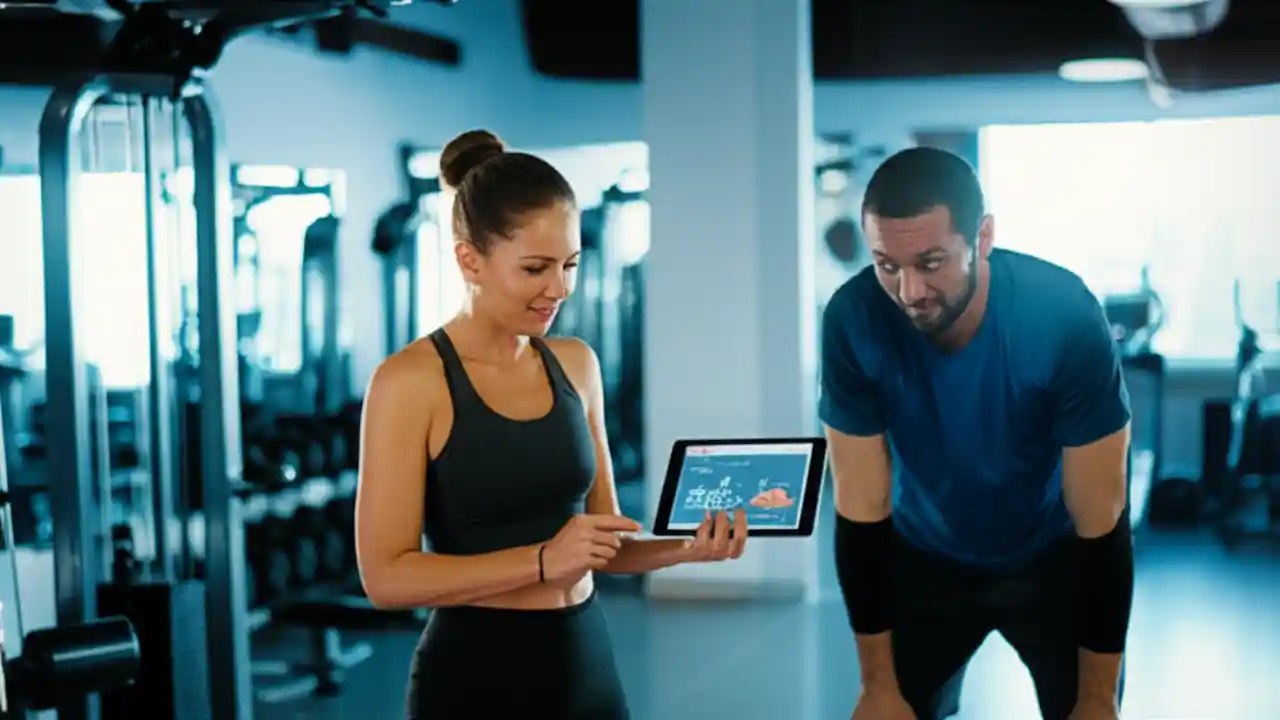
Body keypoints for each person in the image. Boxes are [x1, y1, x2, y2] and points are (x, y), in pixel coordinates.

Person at [354, 129, 750, 720]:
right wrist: (542, 560)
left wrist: (687, 549)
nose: (559, 289)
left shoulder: (574, 363)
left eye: (568, 265)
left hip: (586, 660)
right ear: (470, 259)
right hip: (478, 675)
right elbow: (385, 577)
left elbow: (603, 545)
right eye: (536, 268)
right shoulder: (410, 382)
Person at [821, 147, 1134, 720]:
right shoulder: (853, 319)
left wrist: (1097, 699)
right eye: (887, 265)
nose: (909, 291)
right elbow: (861, 507)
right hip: (926, 559)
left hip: (1052, 556)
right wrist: (877, 686)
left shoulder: (1061, 313)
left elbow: (1101, 519)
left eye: (932, 262)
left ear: (983, 237)